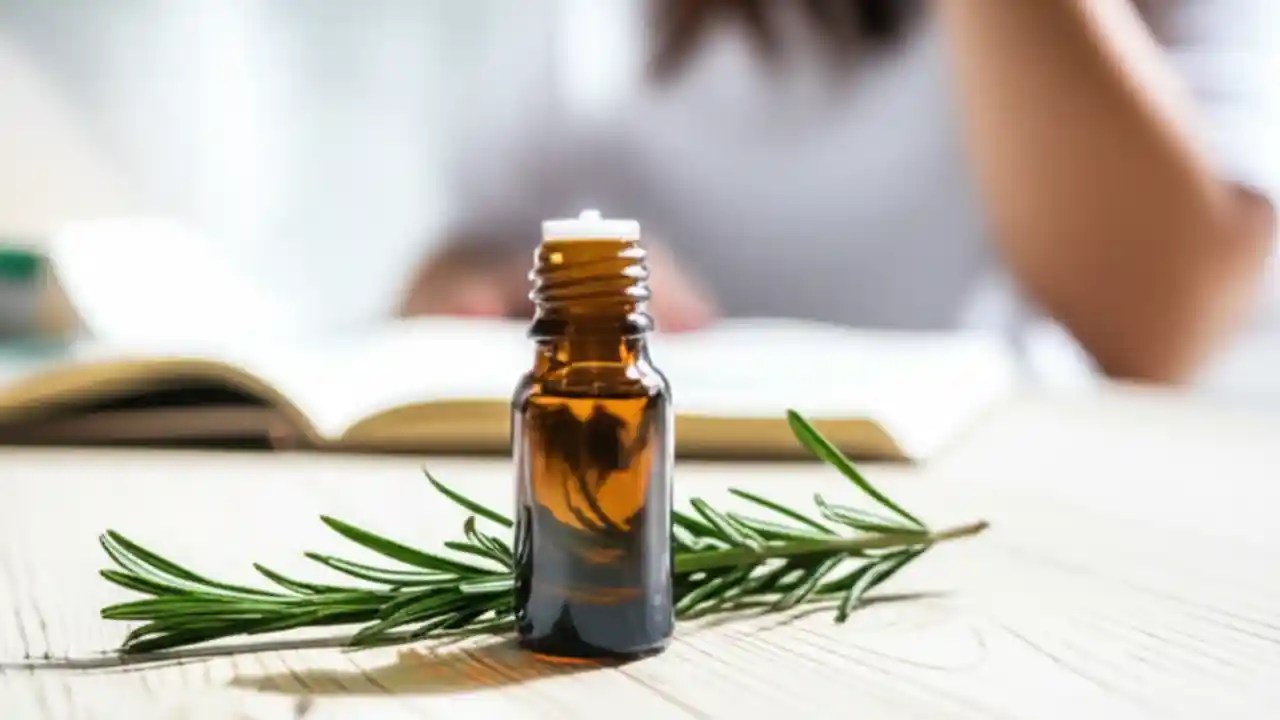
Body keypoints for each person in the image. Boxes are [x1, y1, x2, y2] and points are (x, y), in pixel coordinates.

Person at [402, 0, 1279, 383]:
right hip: (683, 500)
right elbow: (453, 268)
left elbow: (1160, 326)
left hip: (1035, 516)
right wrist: (494, 286)